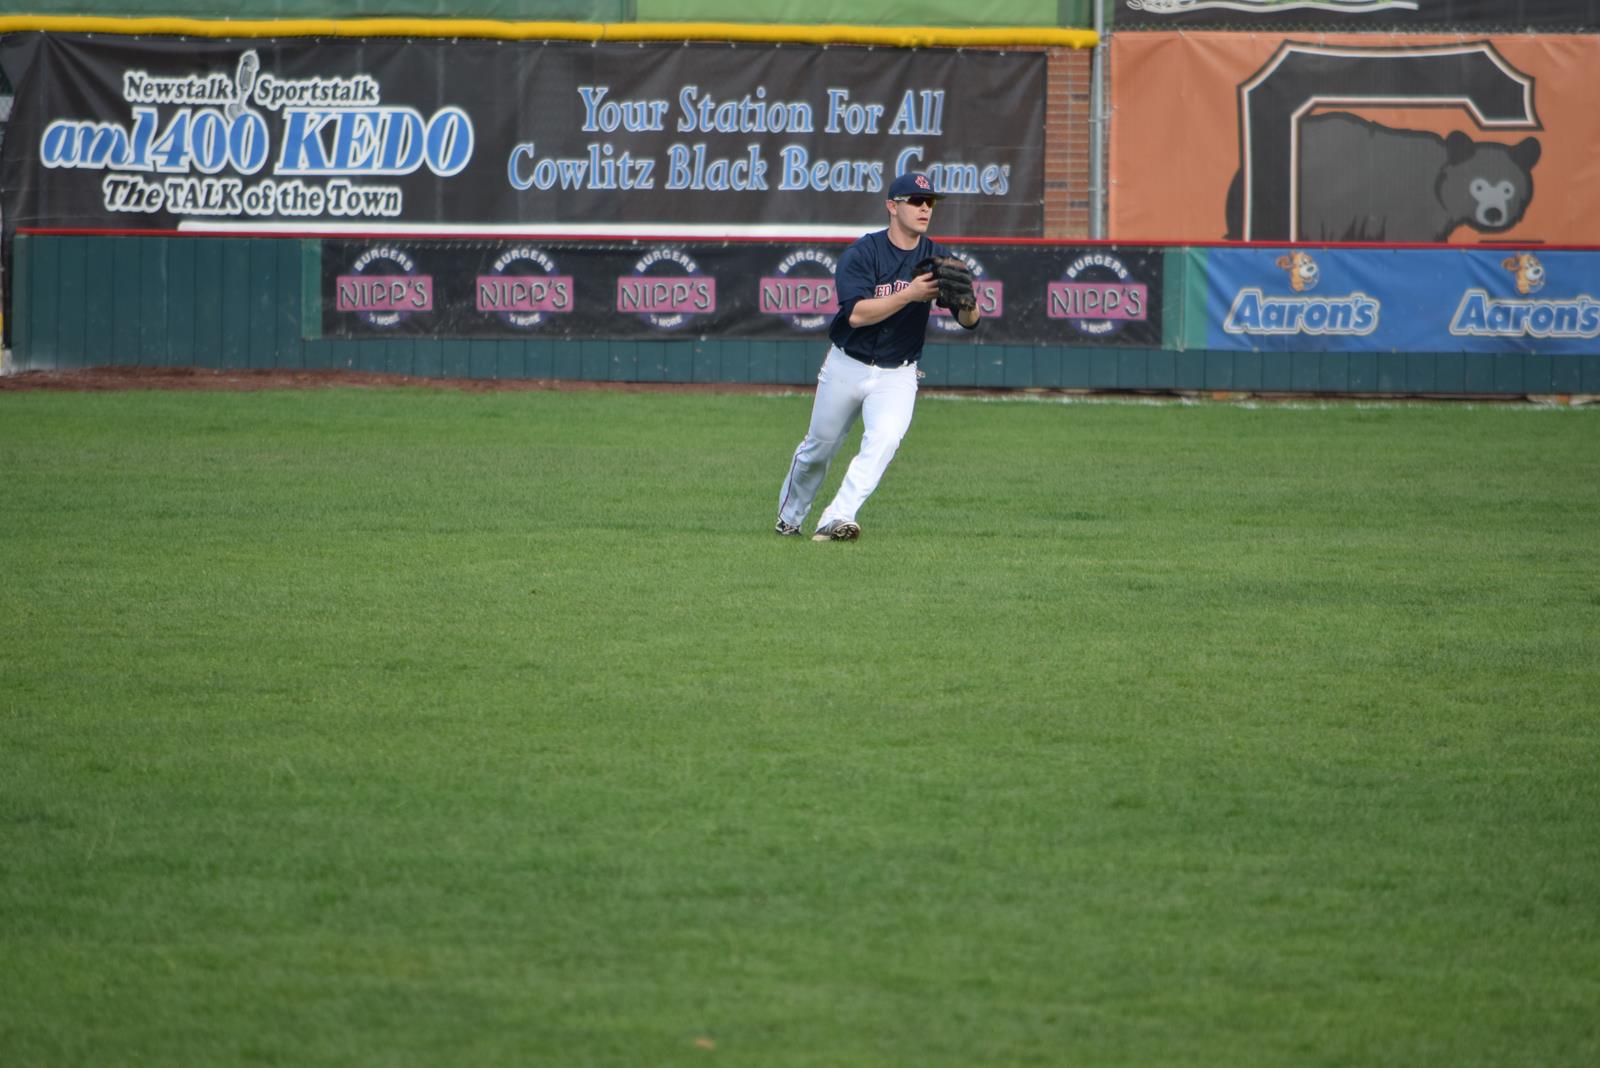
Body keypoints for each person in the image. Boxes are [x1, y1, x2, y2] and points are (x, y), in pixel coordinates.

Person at [774, 172, 981, 541]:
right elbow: (856, 314)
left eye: (929, 202)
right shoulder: (863, 253)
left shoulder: (938, 258)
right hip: (846, 365)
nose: (924, 208)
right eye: (915, 200)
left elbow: (969, 321)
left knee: (884, 440)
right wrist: (910, 294)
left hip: (897, 373)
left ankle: (837, 517)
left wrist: (968, 303)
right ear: (892, 206)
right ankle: (789, 518)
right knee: (818, 450)